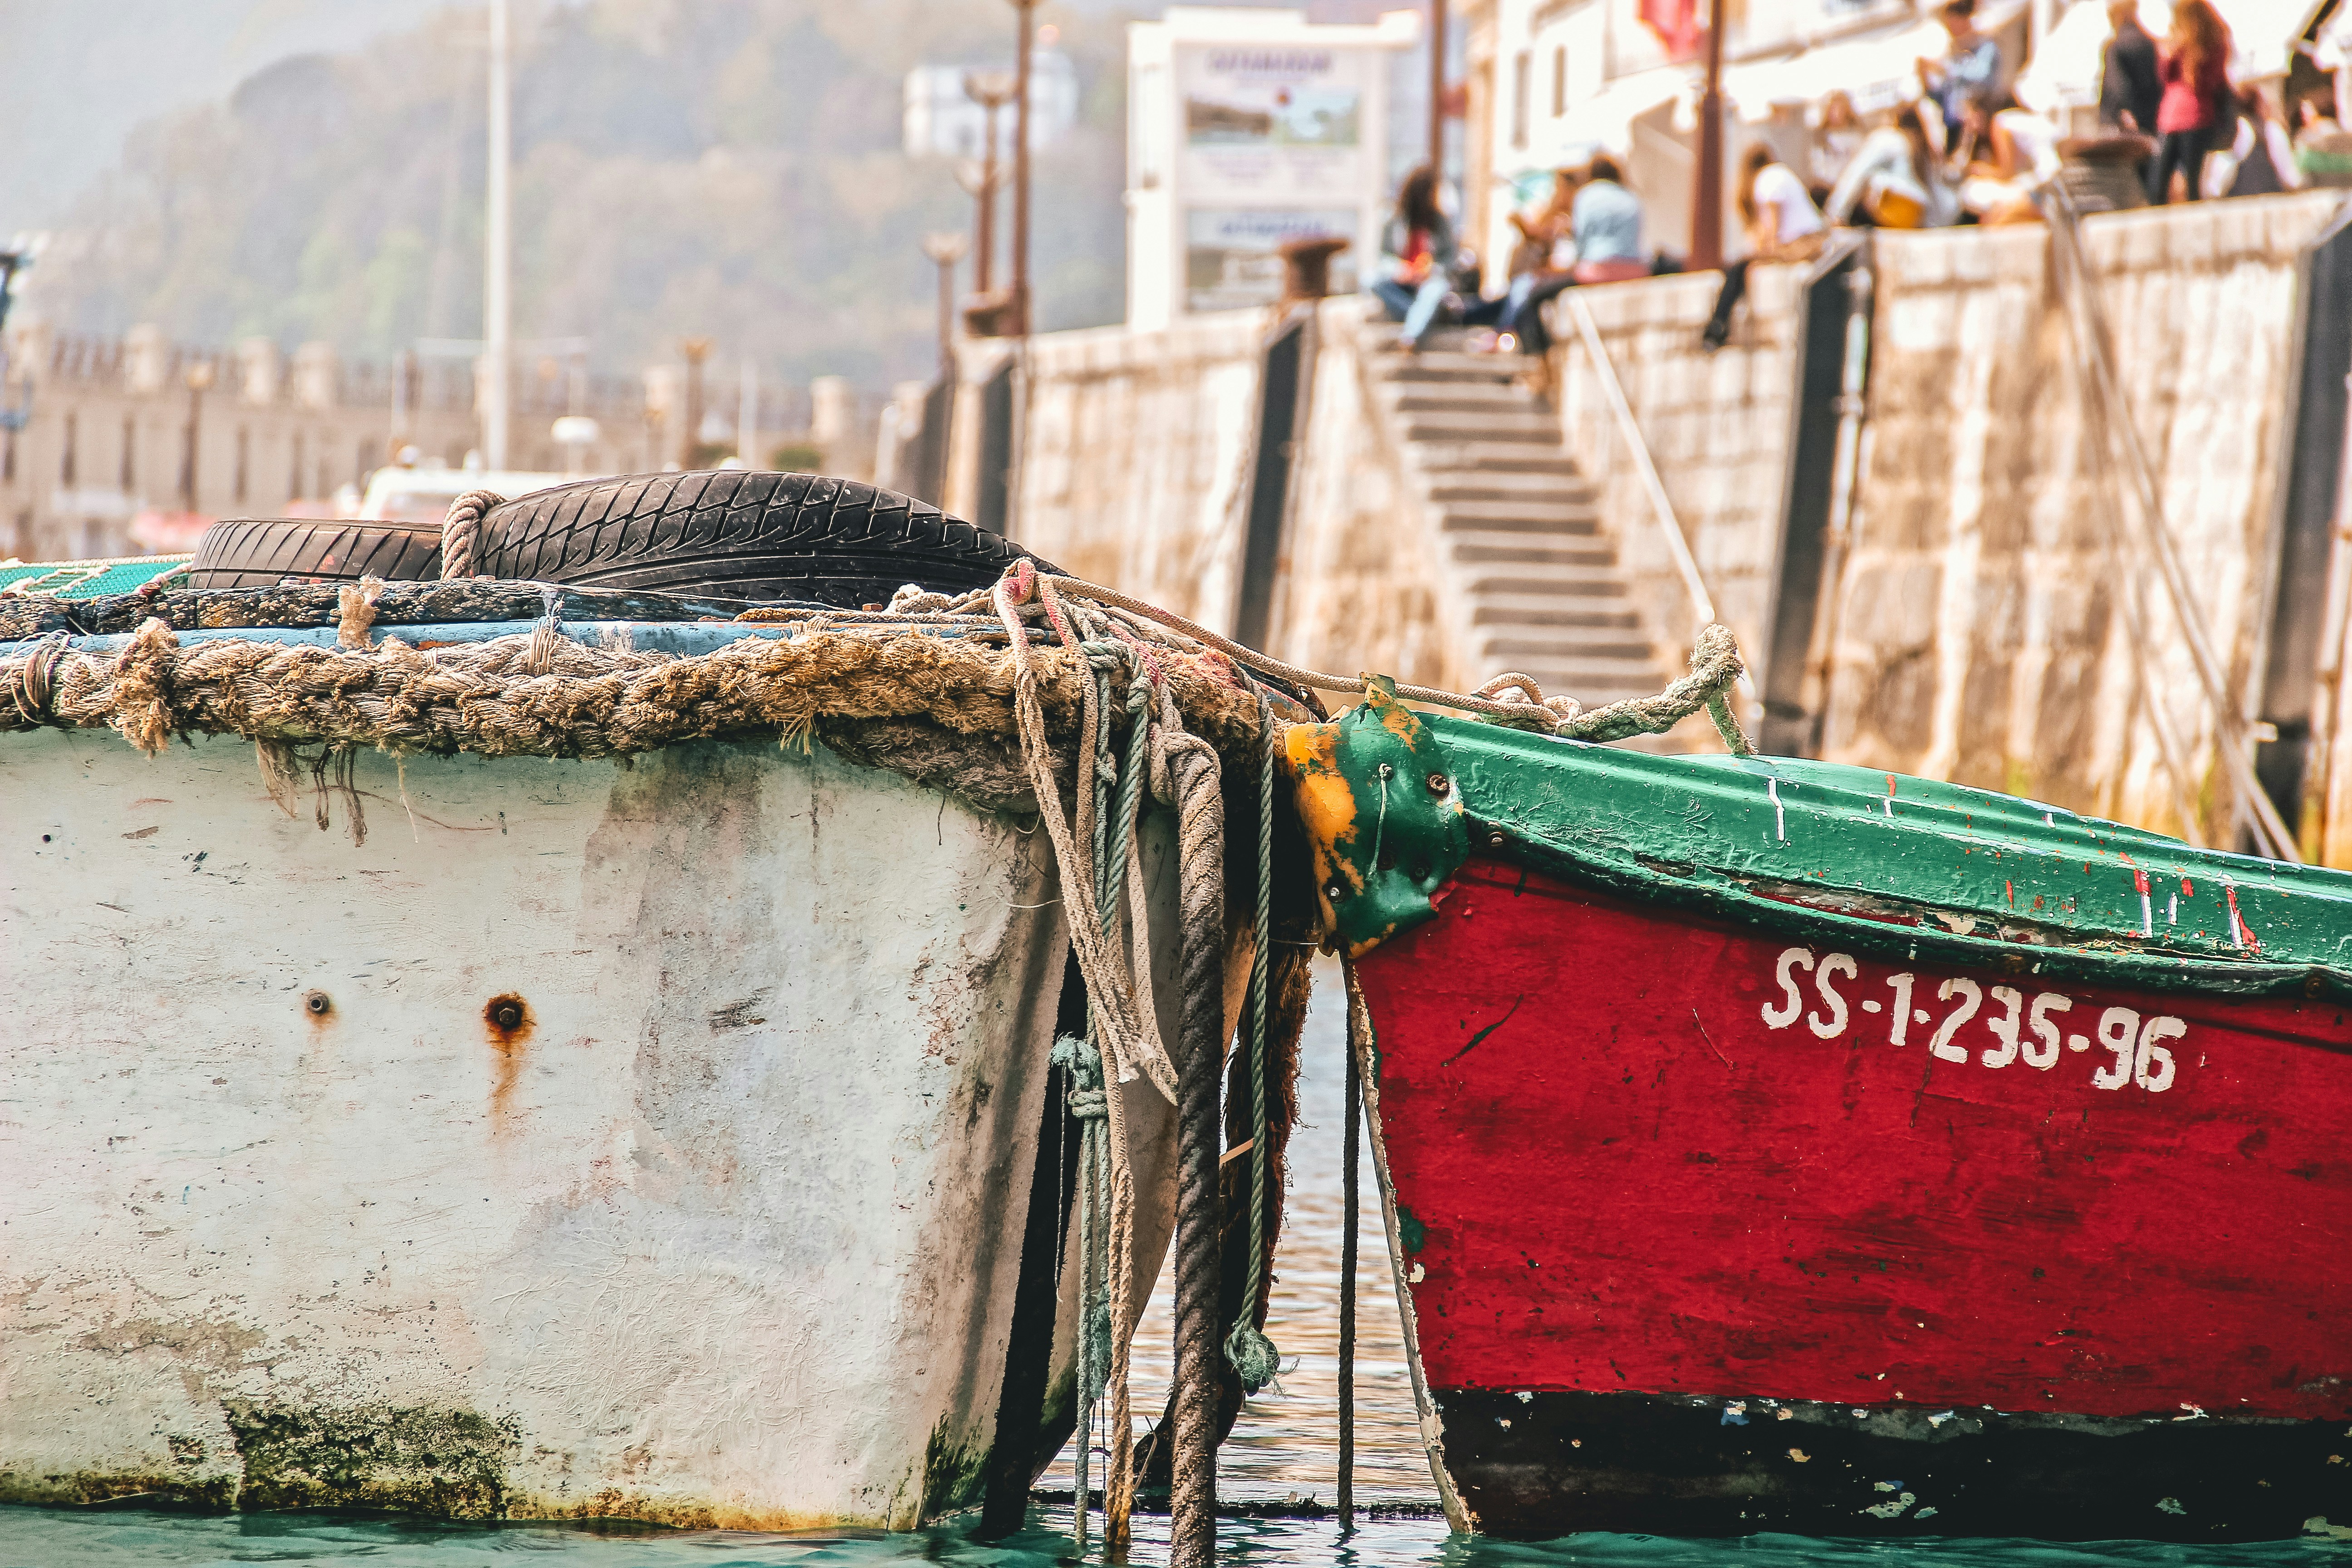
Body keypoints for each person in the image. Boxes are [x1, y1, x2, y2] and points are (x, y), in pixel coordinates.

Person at [1503, 154, 1646, 361]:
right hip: (1636, 271)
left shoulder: (1586, 196)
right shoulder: (1631, 196)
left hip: (1598, 271)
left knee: (1533, 298)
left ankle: (1540, 361)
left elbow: (1582, 245)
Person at [1702, 143, 1827, 351]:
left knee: (1738, 267)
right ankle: (1718, 326)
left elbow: (1771, 235)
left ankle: (1717, 326)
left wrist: (1758, 256)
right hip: (1814, 241)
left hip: (1802, 244)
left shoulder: (1766, 181)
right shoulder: (1782, 174)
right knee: (1743, 266)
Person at [2149, 0, 2233, 203]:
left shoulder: (2213, 45)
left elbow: (2210, 83)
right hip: (2169, 121)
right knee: (2157, 183)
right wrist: (2171, 54)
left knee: (2193, 183)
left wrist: (2193, 60)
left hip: (2197, 119)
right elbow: (2163, 78)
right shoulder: (2175, 47)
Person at [1826, 102, 1961, 228]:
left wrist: (1835, 213)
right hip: (1918, 220)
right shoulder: (1919, 149)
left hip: (1893, 211)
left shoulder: (1890, 140)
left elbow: (1856, 173)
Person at [1369, 165, 1457, 349]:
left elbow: (1450, 258)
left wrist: (1431, 270)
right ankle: (1424, 314)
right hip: (1402, 281)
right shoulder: (1395, 221)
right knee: (1370, 280)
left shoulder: (1440, 223)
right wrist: (1401, 270)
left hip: (1428, 281)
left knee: (1434, 289)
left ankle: (1410, 336)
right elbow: (1383, 257)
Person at [1959, 89, 2063, 221]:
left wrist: (1980, 170)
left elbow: (2007, 173)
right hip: (2049, 177)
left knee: (1974, 195)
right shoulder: (2013, 118)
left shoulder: (2000, 125)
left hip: (2045, 179)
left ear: (1980, 114)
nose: (1970, 126)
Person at [1919, 0, 2005, 147]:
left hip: (1980, 126)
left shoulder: (1986, 47)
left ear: (1965, 20)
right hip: (1955, 128)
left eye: (1953, 24)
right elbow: (1945, 96)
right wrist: (1926, 81)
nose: (1951, 29)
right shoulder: (1956, 54)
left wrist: (1945, 68)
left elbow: (1982, 75)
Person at [2098, 0, 2163, 133]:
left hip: (2124, 126)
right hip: (2153, 121)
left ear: (2119, 15)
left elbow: (2117, 87)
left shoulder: (2115, 48)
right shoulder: (2151, 44)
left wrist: (2123, 111)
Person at [1809, 91, 1866, 199]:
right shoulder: (1821, 137)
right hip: (1827, 189)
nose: (1836, 113)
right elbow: (1818, 166)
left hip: (1851, 189)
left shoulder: (1856, 136)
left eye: (1840, 109)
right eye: (1833, 109)